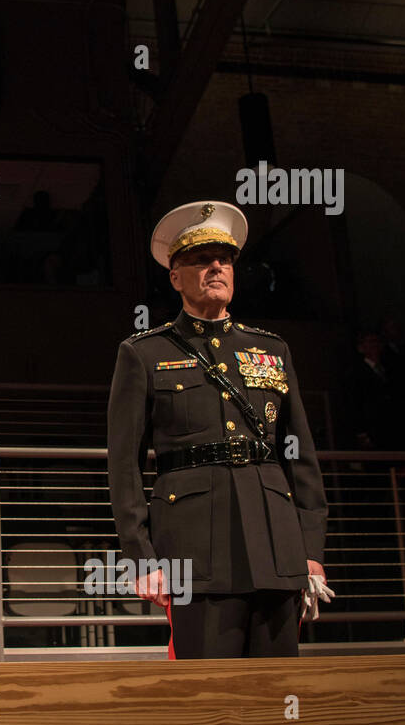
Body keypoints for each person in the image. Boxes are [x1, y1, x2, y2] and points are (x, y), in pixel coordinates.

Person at [106, 201, 331, 658]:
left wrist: (310, 550)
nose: (216, 268)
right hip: (194, 548)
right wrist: (142, 557)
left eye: (224, 260)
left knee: (278, 689)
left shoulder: (271, 349)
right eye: (200, 259)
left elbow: (300, 455)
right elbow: (124, 464)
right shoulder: (143, 353)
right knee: (207, 695)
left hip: (276, 544)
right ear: (175, 277)